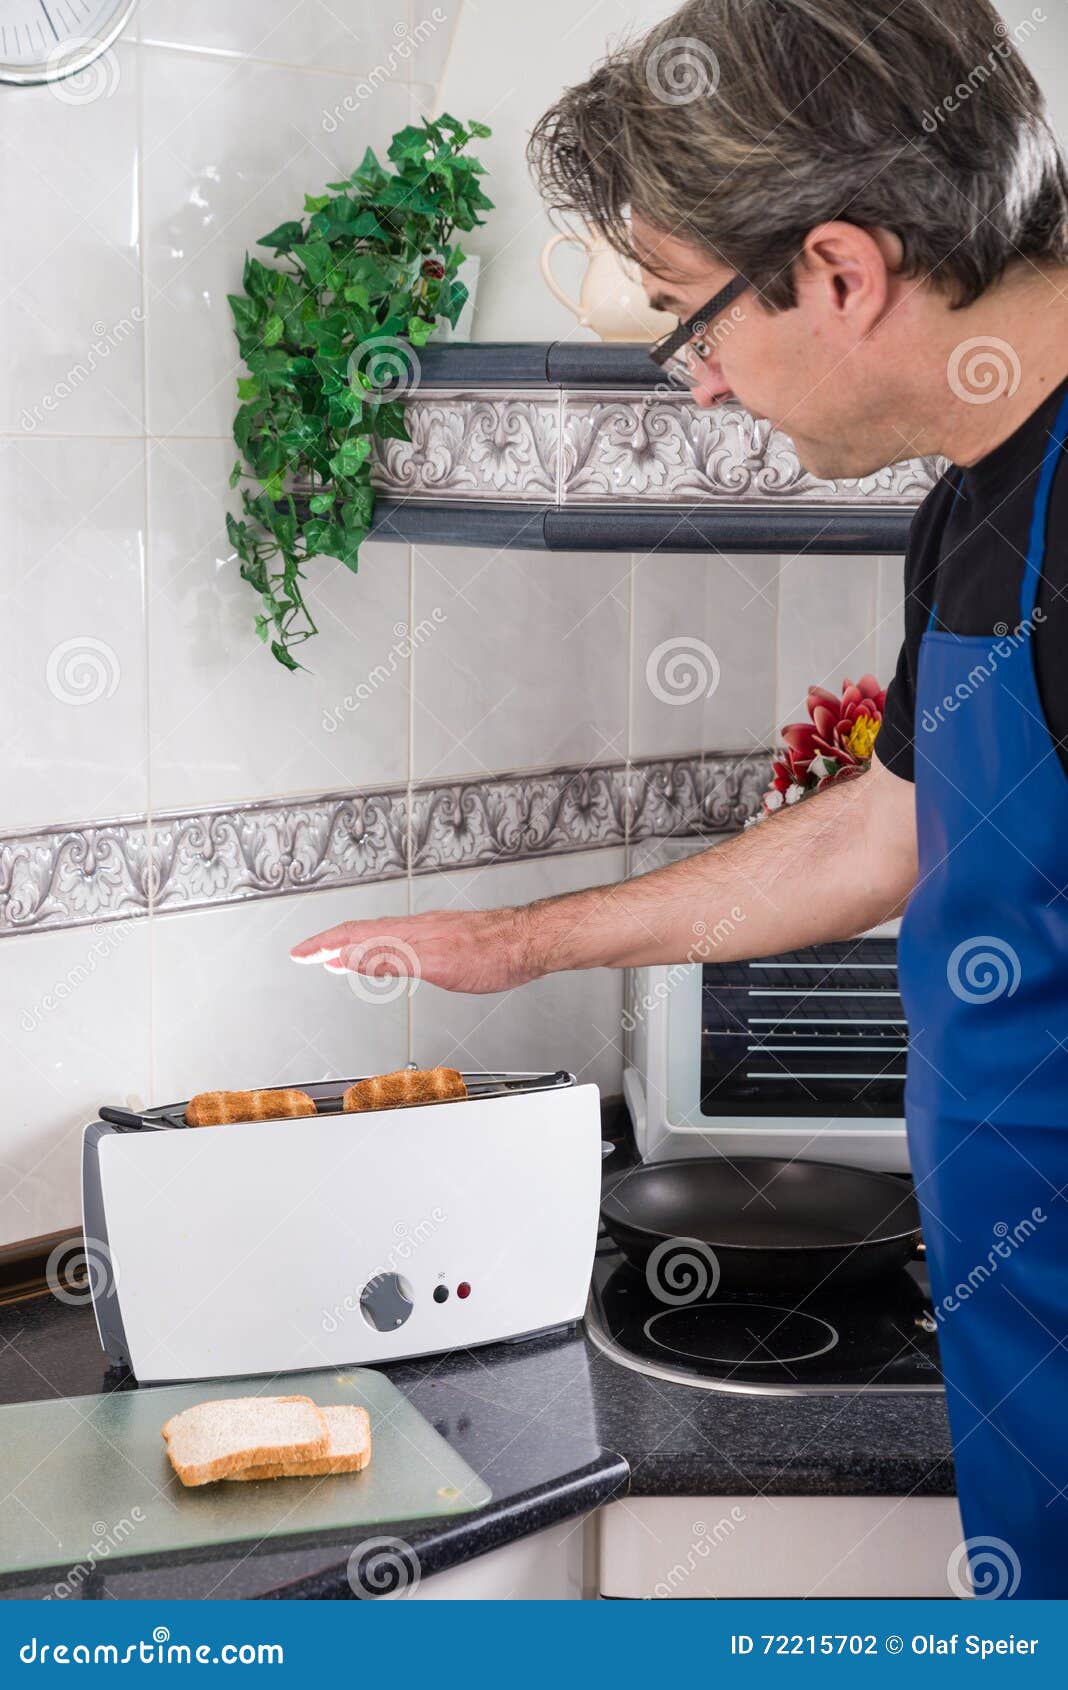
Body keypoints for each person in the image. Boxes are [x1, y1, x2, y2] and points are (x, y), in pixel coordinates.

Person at [293, 0, 1068, 1597]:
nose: (700, 385)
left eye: (686, 318)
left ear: (839, 272)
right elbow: (889, 830)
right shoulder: (976, 504)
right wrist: (518, 941)